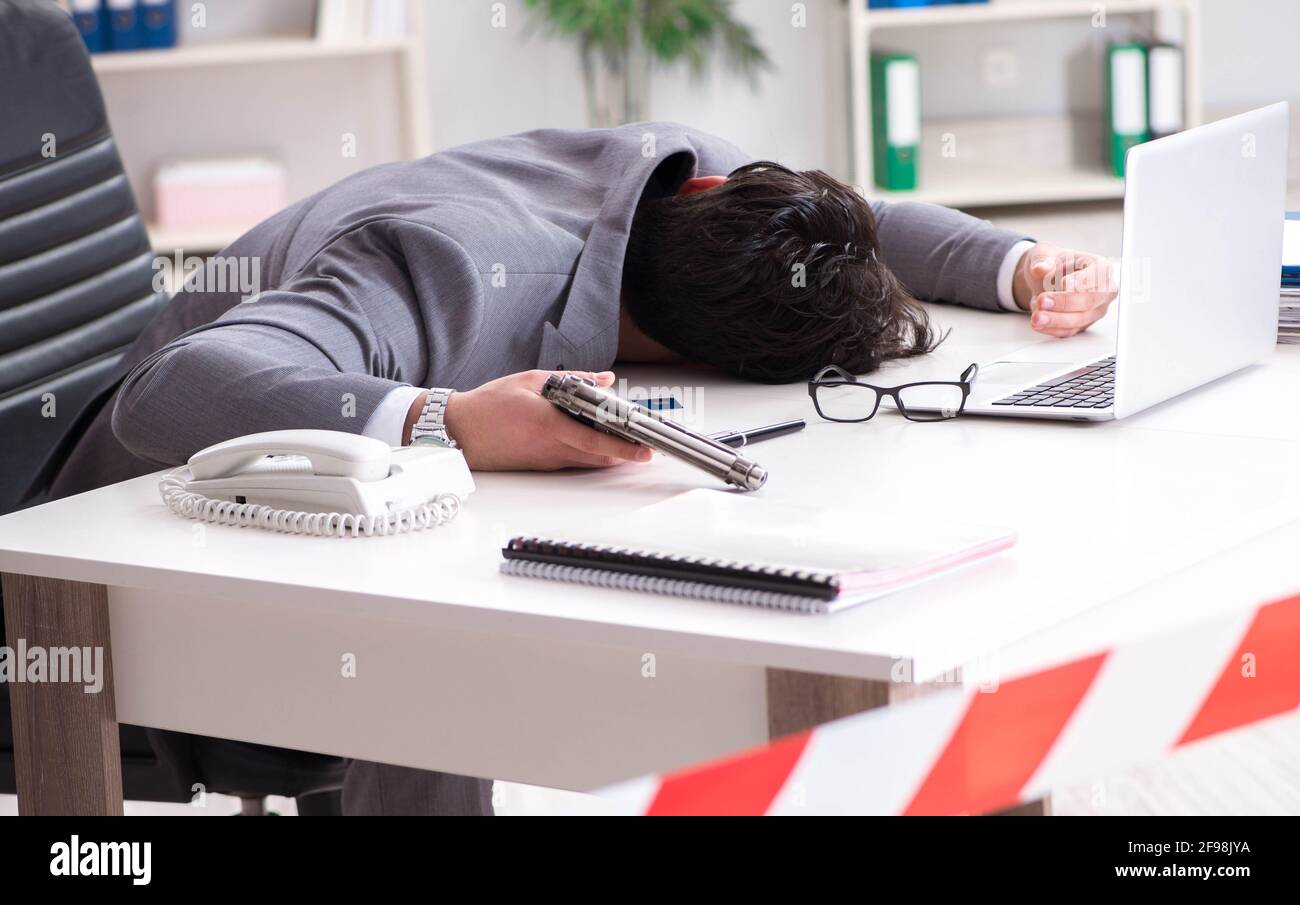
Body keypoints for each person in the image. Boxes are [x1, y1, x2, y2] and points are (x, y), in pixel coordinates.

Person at [39, 122, 1118, 813]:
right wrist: (446, 416)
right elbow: (171, 390)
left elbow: (871, 225)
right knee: (445, 634)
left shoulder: (678, 183)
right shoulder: (443, 267)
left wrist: (1021, 265)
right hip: (108, 525)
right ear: (702, 362)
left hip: (316, 504)